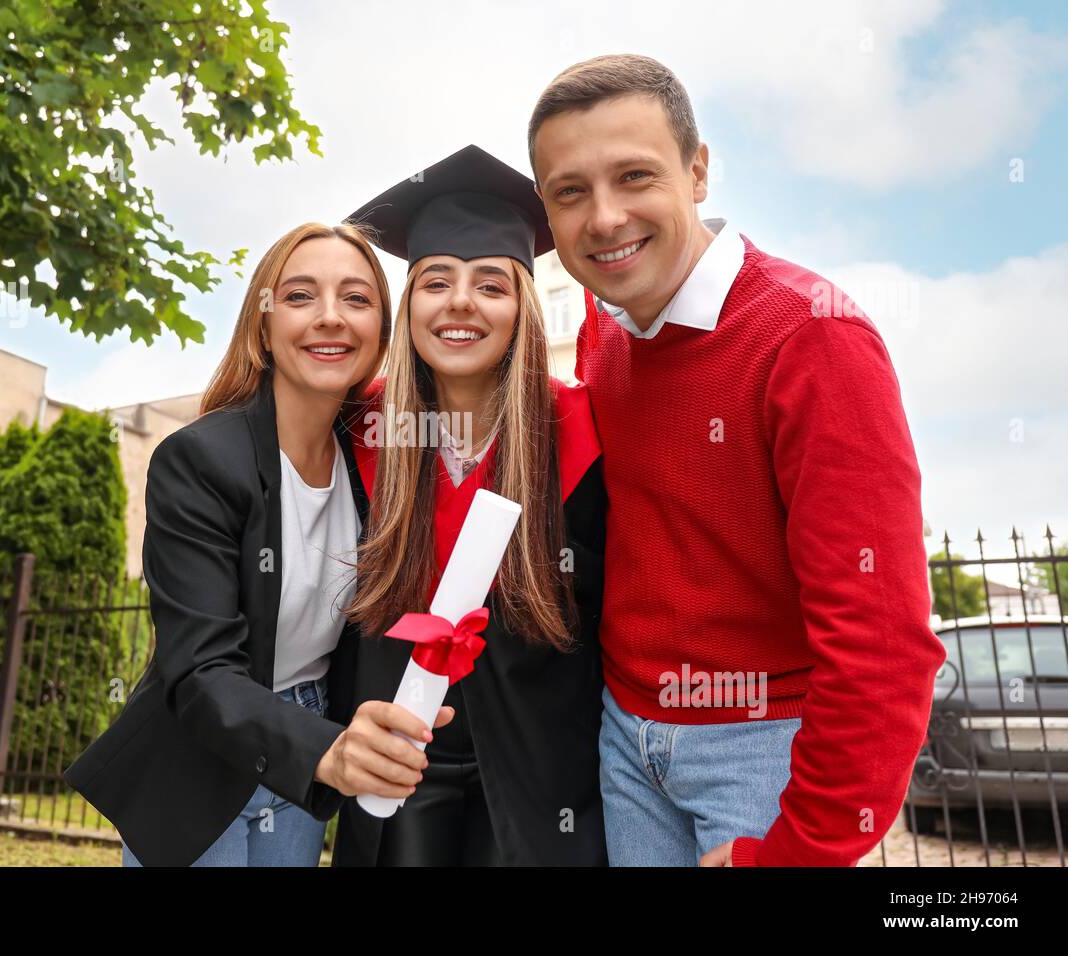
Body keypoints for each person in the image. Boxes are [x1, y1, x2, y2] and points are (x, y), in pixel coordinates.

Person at [526, 54, 948, 866]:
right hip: (627, 743)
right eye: (569, 192)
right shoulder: (603, 335)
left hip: (765, 750)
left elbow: (885, 643)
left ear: (698, 172)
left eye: (634, 176)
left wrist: (803, 850)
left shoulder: (812, 336)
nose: (605, 217)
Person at [62, 221, 454, 867]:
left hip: (306, 755)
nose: (331, 318)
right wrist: (327, 751)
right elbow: (200, 670)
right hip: (202, 752)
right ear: (263, 326)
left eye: (357, 299)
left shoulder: (374, 463)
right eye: (300, 296)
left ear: (382, 335)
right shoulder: (201, 461)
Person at [332, 145, 608, 866]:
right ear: (410, 306)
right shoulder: (356, 429)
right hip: (398, 749)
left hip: (540, 763)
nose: (460, 303)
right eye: (436, 282)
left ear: (522, 307)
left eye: (491, 284)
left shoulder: (582, 429)